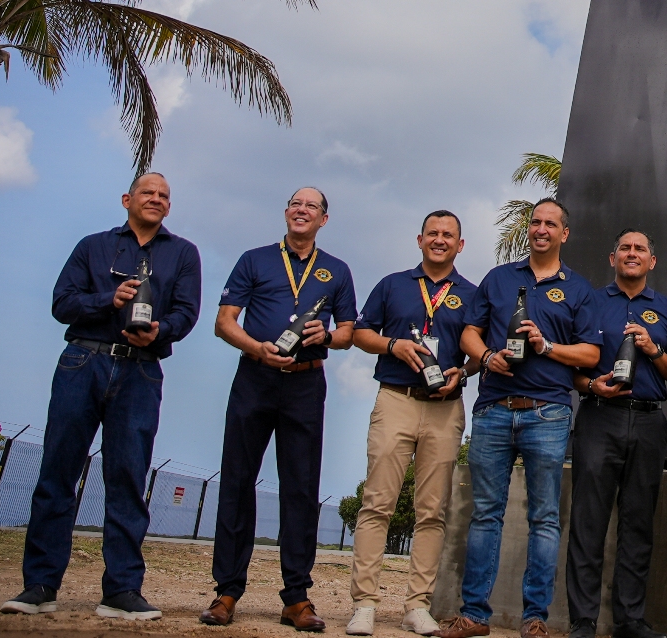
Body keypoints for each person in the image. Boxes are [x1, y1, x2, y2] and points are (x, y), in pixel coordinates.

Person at [2, 172, 201, 621]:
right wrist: (109, 301)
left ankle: (122, 590)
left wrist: (159, 331)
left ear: (170, 207)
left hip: (141, 370)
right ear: (127, 199)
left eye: (164, 196)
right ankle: (39, 584)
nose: (156, 199)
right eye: (148, 192)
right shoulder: (92, 245)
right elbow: (61, 303)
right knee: (58, 470)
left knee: (129, 479)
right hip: (82, 362)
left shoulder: (183, 253)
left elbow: (187, 314)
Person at [201, 187, 357, 632]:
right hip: (255, 377)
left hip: (306, 384)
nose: (301, 210)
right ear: (286, 213)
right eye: (295, 203)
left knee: (301, 491)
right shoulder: (255, 259)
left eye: (311, 206)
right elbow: (224, 321)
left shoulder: (337, 270)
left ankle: (296, 598)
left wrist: (324, 338)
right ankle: (227, 591)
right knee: (236, 480)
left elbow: (348, 332)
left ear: (323, 219)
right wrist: (257, 348)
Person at [445, 198, 600, 638]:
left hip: (548, 413)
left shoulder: (578, 288)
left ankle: (535, 619)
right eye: (536, 222)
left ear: (564, 234)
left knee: (544, 518)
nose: (541, 229)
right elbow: (469, 332)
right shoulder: (498, 279)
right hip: (494, 409)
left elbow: (590, 353)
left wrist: (547, 345)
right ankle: (474, 615)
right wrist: (488, 356)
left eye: (551, 224)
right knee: (485, 514)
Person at [346, 210, 477, 637]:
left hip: (444, 408)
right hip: (396, 400)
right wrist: (392, 343)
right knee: (376, 503)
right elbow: (359, 334)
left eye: (449, 235)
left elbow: (482, 350)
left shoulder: (472, 294)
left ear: (461, 245)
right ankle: (364, 602)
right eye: (433, 233)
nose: (440, 240)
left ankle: (416, 604)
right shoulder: (392, 284)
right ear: (419, 239)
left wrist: (466, 371)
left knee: (432, 511)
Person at [565, 229, 667, 638]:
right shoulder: (589, 302)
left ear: (653, 261)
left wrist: (653, 349)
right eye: (625, 249)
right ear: (612, 257)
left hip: (650, 420)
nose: (632, 254)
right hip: (599, 416)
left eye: (641, 249)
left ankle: (630, 620)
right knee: (588, 520)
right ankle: (582, 620)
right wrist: (591, 386)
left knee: (638, 522)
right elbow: (573, 370)